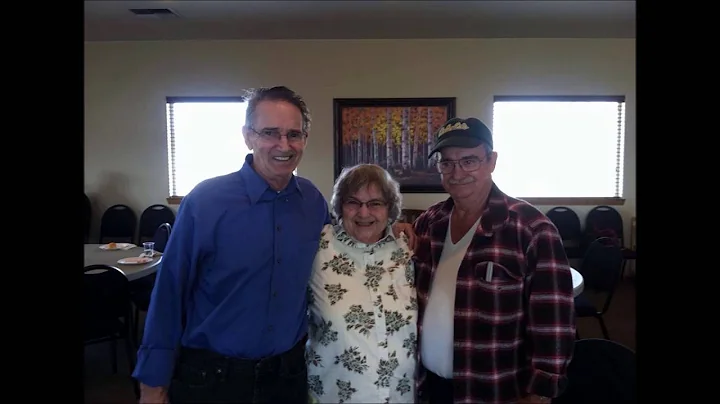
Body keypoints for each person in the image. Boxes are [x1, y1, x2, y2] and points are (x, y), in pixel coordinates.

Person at [132, 86, 416, 404]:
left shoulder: (312, 203)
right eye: (270, 133)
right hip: (213, 379)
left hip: (288, 379)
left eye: (294, 134)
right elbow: (170, 292)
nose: (284, 145)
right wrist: (153, 382)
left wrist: (393, 227)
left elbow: (349, 243)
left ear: (305, 139)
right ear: (248, 136)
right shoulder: (206, 202)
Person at [413, 117, 576, 404]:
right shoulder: (429, 223)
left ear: (492, 161)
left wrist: (540, 393)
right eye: (447, 162)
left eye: (469, 161)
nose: (457, 172)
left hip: (495, 390)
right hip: (429, 386)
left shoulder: (532, 230)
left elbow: (554, 323)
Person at [306, 164, 417, 404]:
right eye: (353, 202)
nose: (364, 213)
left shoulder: (406, 248)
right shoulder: (317, 247)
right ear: (340, 207)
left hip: (400, 396)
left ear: (389, 209)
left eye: (375, 203)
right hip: (334, 395)